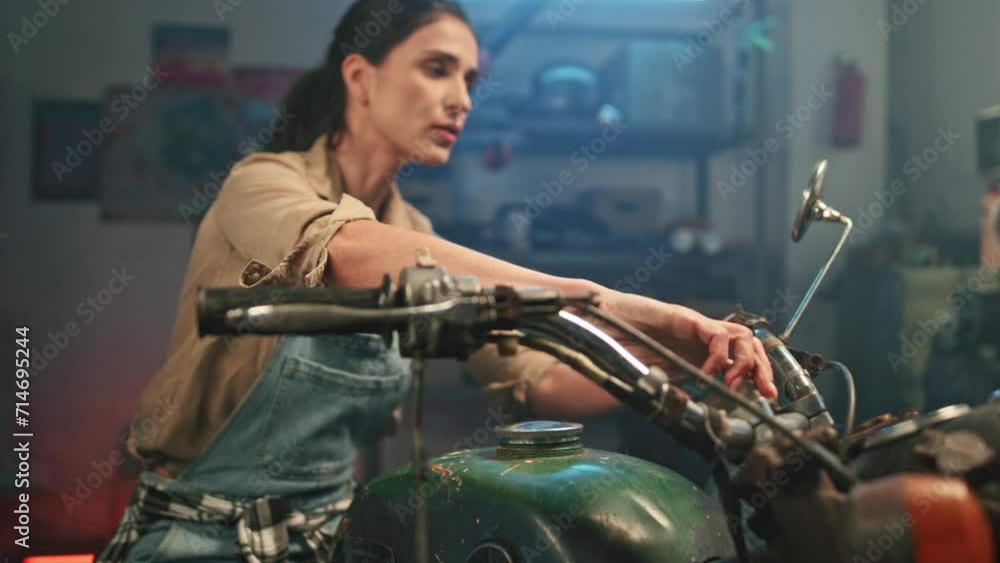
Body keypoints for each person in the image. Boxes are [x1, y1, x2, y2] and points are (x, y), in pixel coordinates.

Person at [97, 1, 777, 561]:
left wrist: (686, 354)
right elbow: (352, 252)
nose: (461, 100)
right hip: (200, 536)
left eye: (470, 81)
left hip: (339, 537)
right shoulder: (264, 184)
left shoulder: (412, 227)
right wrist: (618, 301)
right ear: (360, 77)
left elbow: (538, 378)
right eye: (437, 69)